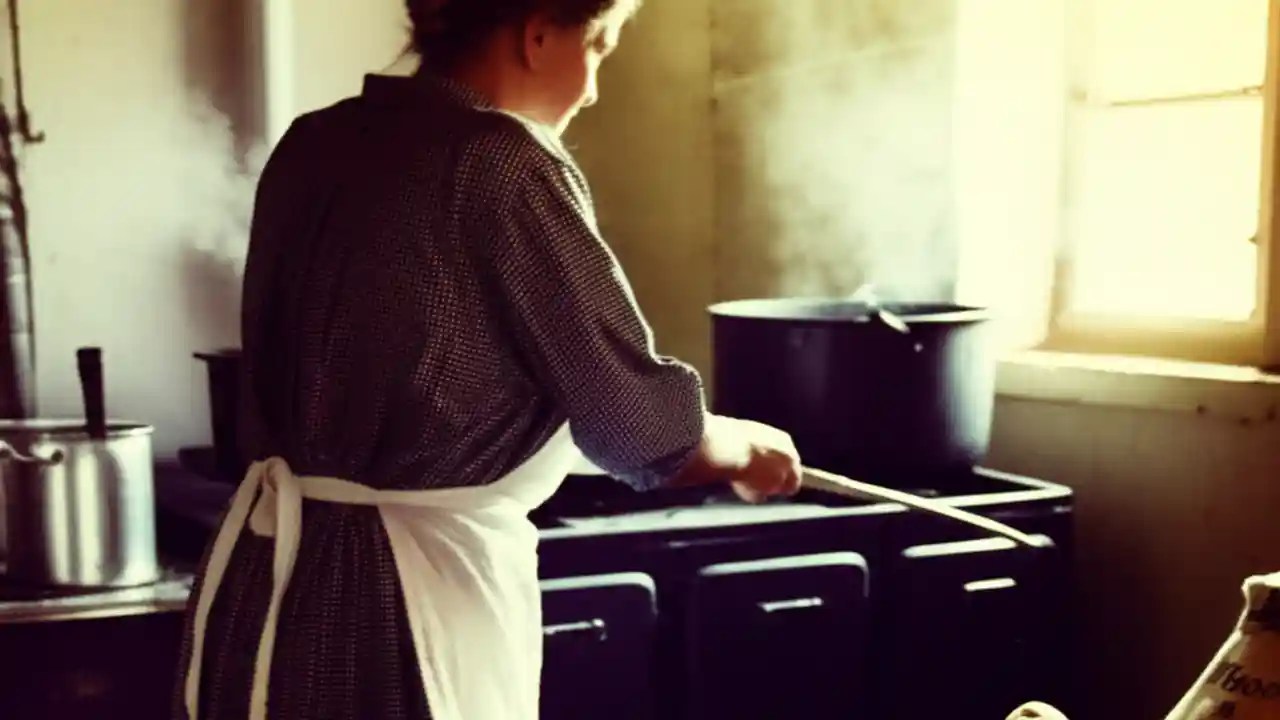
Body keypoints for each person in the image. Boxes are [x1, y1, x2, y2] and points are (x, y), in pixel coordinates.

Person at [171, 0, 803, 718]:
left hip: (259, 598)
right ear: (537, 34)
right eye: (599, 47)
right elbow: (640, 430)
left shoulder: (313, 143)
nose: (595, 86)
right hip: (395, 615)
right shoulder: (501, 161)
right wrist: (746, 450)